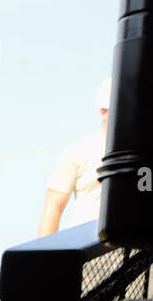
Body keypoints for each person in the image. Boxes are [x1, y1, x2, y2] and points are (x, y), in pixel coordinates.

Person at [38, 78, 110, 236]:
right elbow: (54, 207)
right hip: (89, 256)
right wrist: (43, 258)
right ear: (103, 111)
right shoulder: (79, 151)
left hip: (137, 258)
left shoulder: (145, 156)